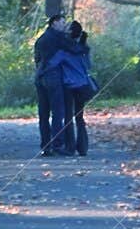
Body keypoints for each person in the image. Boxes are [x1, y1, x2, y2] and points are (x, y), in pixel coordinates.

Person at [50, 20, 98, 156]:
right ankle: (83, 147)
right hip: (83, 85)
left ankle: (70, 147)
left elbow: (52, 64)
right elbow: (88, 66)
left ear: (69, 33)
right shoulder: (84, 49)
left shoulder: (64, 51)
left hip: (68, 86)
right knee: (79, 116)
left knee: (68, 116)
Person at [32, 14, 79, 156]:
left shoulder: (41, 39)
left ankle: (45, 145)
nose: (64, 26)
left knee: (44, 113)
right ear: (54, 23)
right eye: (62, 23)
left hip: (40, 77)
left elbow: (37, 59)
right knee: (58, 112)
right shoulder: (58, 38)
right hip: (53, 77)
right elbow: (75, 49)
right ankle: (58, 144)